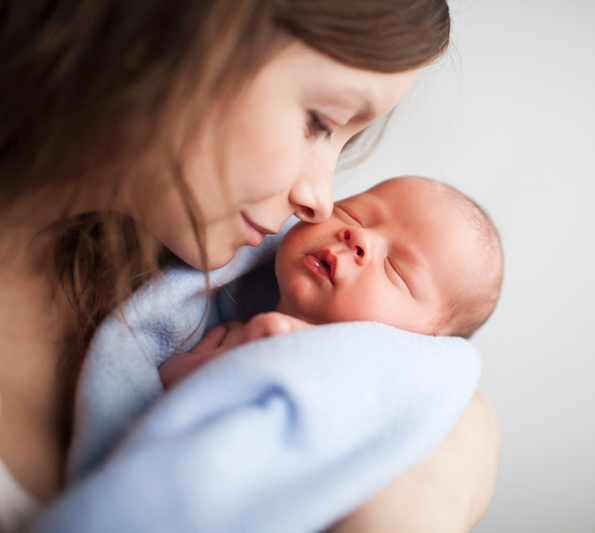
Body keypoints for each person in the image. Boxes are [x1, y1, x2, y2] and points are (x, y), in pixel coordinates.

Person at [0, 2, 498, 532]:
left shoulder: (156, 269)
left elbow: (444, 389)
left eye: (341, 141)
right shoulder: (190, 305)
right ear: (165, 34)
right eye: (319, 122)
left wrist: (433, 491)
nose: (321, 202)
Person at [159, 176, 503, 389]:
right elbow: (166, 378)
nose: (359, 236)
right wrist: (235, 359)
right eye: (355, 214)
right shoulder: (235, 333)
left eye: (396, 269)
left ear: (419, 343)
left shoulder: (367, 387)